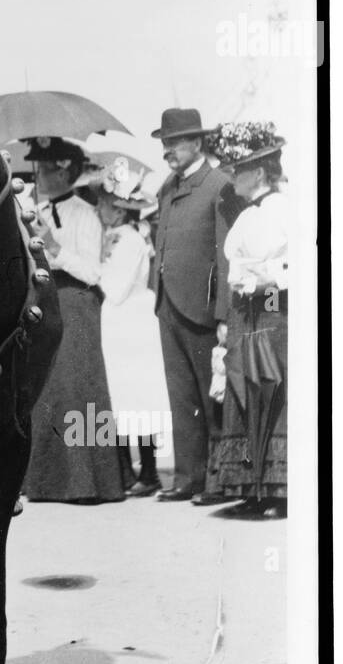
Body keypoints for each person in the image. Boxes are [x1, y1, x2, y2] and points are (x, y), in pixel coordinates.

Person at [20, 137, 125, 504]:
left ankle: (88, 483)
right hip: (45, 301)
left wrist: (54, 249)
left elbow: (92, 271)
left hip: (77, 302)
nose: (40, 177)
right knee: (47, 389)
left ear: (63, 171)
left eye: (44, 169)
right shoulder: (39, 211)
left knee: (78, 388)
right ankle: (47, 481)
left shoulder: (84, 213)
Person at [149, 108, 239, 504]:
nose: (167, 150)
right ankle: (188, 477)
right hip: (168, 303)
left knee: (210, 394)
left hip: (202, 307)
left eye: (175, 142)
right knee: (181, 395)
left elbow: (225, 255)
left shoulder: (219, 185)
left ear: (198, 143)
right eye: (165, 143)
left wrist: (223, 313)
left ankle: (218, 480)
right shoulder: (167, 187)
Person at [204, 124, 288, 517]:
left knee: (271, 379)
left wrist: (267, 289)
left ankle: (276, 489)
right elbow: (237, 263)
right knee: (243, 385)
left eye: (238, 170)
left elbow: (290, 267)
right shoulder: (247, 214)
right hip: (244, 310)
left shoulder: (282, 209)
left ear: (257, 172)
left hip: (270, 305)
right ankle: (248, 486)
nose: (232, 176)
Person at [93, 160, 167, 496]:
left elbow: (115, 286)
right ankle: (129, 468)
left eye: (105, 205)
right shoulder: (115, 236)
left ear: (121, 212)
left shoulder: (130, 241)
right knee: (121, 396)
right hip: (118, 321)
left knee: (136, 396)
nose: (100, 209)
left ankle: (148, 471)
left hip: (129, 321)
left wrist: (91, 274)